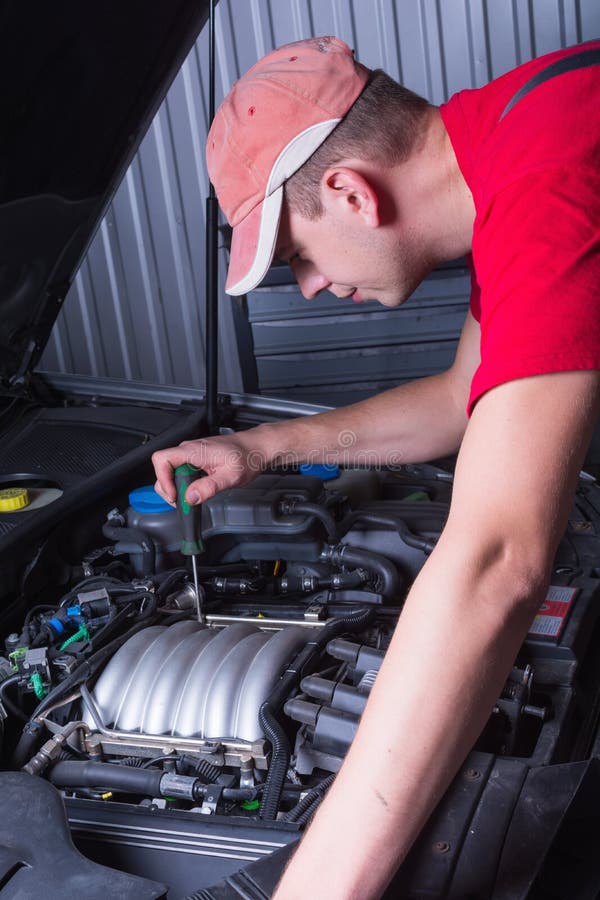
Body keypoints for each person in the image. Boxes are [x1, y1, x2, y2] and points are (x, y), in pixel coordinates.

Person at [152, 36, 600, 899]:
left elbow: (498, 563)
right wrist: (260, 449)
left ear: (351, 192)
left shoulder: (548, 182)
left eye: (298, 255)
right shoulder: (519, 135)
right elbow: (464, 396)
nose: (310, 287)